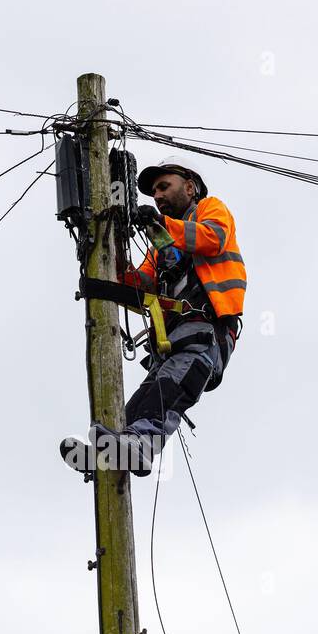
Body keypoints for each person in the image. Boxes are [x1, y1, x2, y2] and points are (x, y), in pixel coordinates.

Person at [60, 160, 246, 476]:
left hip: (207, 332)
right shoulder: (159, 248)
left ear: (190, 187)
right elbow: (138, 281)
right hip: (171, 338)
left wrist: (160, 224)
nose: (157, 196)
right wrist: (115, 248)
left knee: (169, 389)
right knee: (143, 398)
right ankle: (114, 449)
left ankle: (141, 445)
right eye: (154, 192)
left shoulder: (210, 210)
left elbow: (212, 237)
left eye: (164, 186)